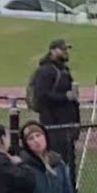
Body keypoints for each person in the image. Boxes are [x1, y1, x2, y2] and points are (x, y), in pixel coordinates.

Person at [30, 39, 81, 182]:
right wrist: (65, 96)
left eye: (66, 49)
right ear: (52, 51)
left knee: (69, 162)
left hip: (67, 124)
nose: (66, 52)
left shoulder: (64, 70)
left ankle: (70, 192)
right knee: (57, 161)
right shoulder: (46, 71)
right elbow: (42, 96)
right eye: (62, 49)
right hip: (53, 124)